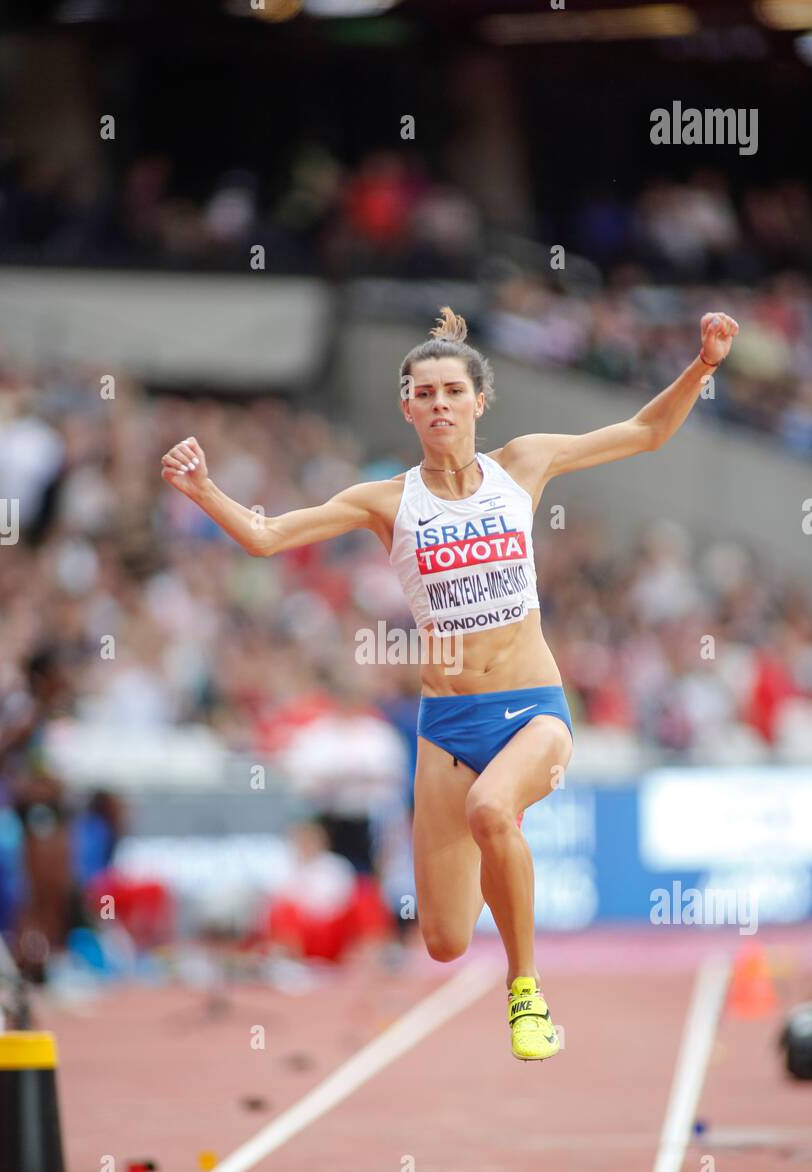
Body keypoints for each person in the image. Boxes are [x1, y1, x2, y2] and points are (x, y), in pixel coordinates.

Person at [160, 304, 739, 1061]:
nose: (439, 405)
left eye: (452, 392)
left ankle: (526, 992)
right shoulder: (388, 501)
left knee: (493, 810)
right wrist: (205, 490)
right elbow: (269, 536)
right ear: (406, 406)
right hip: (448, 725)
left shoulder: (523, 464)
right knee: (442, 939)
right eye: (425, 393)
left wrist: (703, 365)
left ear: (479, 401)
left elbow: (645, 432)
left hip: (533, 707)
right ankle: (498, 884)